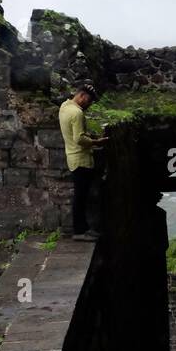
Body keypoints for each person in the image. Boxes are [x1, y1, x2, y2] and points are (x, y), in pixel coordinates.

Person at [59, 80, 111, 241]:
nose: (88, 105)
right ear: (81, 95)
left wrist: (90, 136)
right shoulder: (77, 113)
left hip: (72, 158)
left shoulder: (64, 107)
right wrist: (97, 142)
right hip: (81, 160)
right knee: (81, 197)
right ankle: (80, 231)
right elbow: (79, 139)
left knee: (80, 197)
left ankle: (82, 228)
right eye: (88, 101)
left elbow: (76, 133)